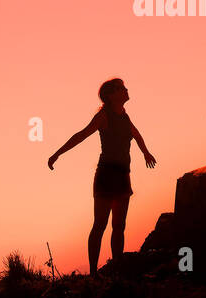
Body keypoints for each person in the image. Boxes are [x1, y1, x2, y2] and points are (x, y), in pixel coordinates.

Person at [47, 78, 156, 276]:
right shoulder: (104, 116)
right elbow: (81, 135)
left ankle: (116, 268)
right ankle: (93, 272)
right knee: (100, 225)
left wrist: (146, 152)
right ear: (111, 95)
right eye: (121, 88)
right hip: (106, 175)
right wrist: (57, 154)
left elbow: (136, 134)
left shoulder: (125, 116)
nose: (126, 90)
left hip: (123, 175)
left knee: (119, 226)